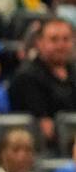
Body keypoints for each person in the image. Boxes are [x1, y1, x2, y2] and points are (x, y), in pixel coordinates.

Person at [8, 16, 76, 149]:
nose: (61, 45)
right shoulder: (27, 77)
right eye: (54, 39)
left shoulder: (74, 71)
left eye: (66, 39)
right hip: (45, 150)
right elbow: (46, 131)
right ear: (39, 43)